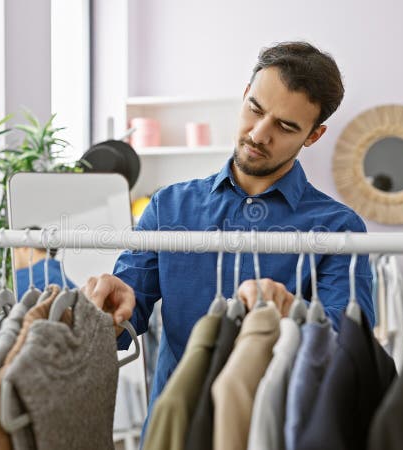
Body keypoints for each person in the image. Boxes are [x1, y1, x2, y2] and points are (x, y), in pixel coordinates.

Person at [80, 41, 374, 428]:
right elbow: (125, 315)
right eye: (255, 109)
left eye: (285, 126)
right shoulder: (168, 207)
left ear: (313, 136)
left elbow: (353, 351)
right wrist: (105, 313)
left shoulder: (340, 228)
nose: (259, 134)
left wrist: (296, 314)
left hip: (278, 432)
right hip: (176, 430)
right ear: (244, 96)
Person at [12, 227, 75, 298]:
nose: (12, 257)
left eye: (12, 251)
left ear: (25, 246)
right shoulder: (71, 286)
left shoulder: (20, 279)